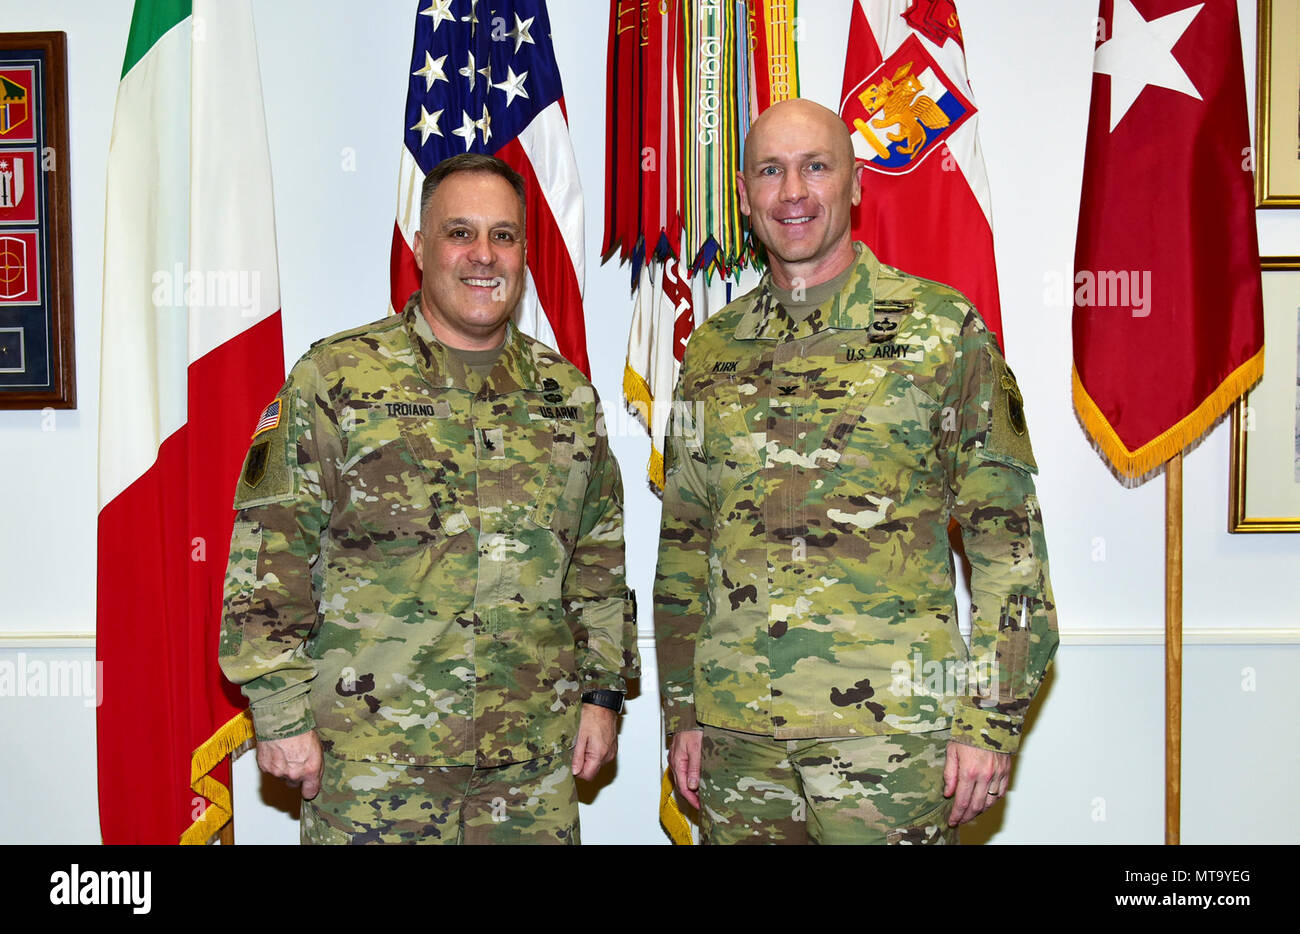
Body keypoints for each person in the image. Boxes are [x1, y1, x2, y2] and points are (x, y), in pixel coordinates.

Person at [654, 99, 1059, 844]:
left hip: (893, 747)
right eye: (771, 171)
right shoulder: (710, 352)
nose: (794, 192)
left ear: (855, 184)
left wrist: (990, 722)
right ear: (745, 197)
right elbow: (684, 546)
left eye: (816, 166)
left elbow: (1011, 550)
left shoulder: (942, 331)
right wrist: (682, 712)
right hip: (737, 744)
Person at [220, 153, 638, 845]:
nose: (484, 256)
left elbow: (597, 561)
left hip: (529, 773)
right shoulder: (335, 380)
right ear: (421, 246)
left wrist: (601, 695)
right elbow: (268, 555)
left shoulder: (567, 397)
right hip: (373, 771)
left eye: (504, 236)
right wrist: (280, 713)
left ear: (525, 253)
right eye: (460, 232)